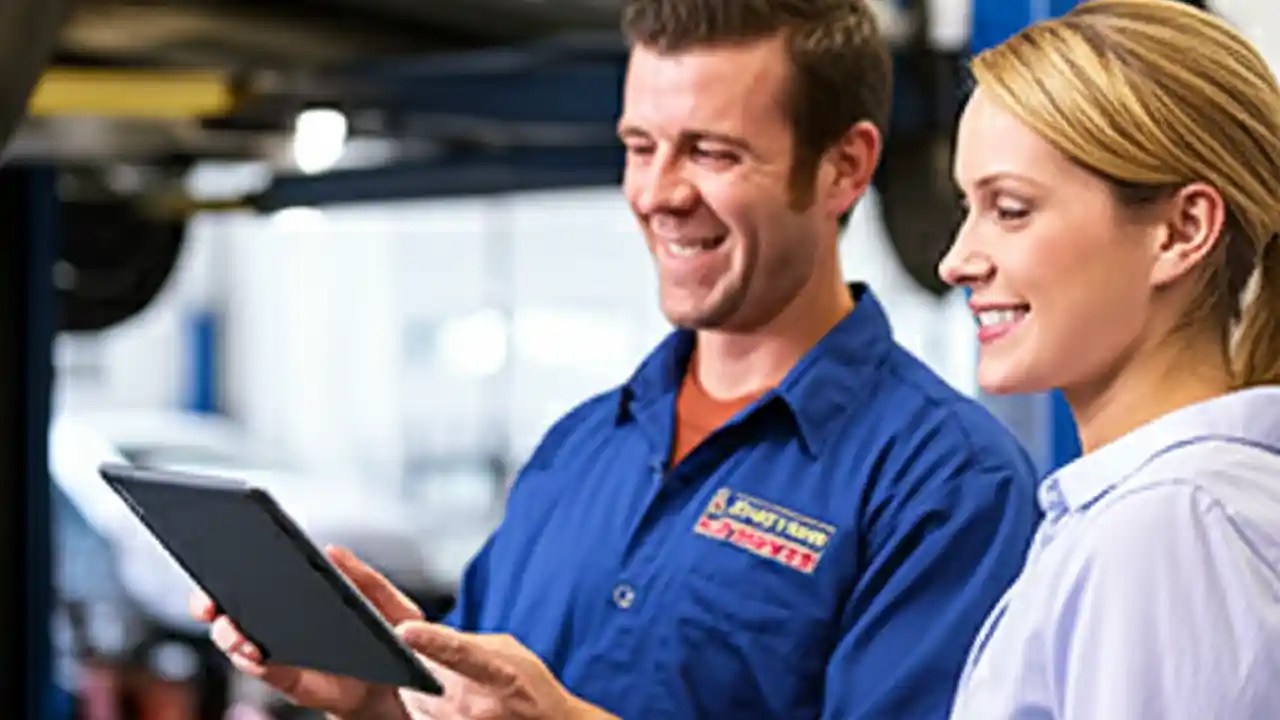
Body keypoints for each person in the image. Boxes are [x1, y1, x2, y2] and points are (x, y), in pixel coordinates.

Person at [197, 1, 1043, 718]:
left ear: (843, 167)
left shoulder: (945, 484)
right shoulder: (582, 448)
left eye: (712, 152)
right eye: (642, 146)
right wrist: (385, 694)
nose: (659, 194)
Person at [940, 1, 1280, 718]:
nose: (957, 260)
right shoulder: (1179, 508)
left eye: (1010, 209)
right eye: (967, 208)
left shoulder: (1169, 526)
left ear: (1180, 231)